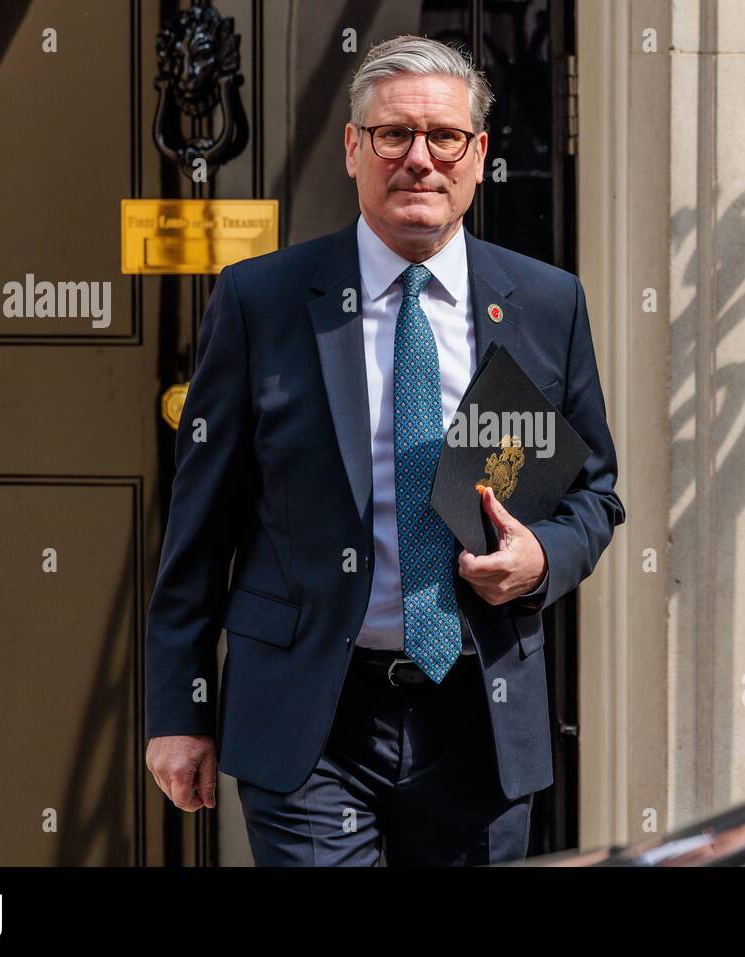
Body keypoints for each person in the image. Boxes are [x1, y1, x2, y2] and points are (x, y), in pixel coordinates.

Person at [144, 34, 624, 866]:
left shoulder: (548, 305)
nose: (419, 160)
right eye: (393, 135)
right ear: (352, 150)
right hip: (312, 720)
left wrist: (542, 555)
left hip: (478, 713)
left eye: (444, 137)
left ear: (477, 155)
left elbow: (596, 494)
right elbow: (199, 525)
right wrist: (177, 710)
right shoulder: (262, 301)